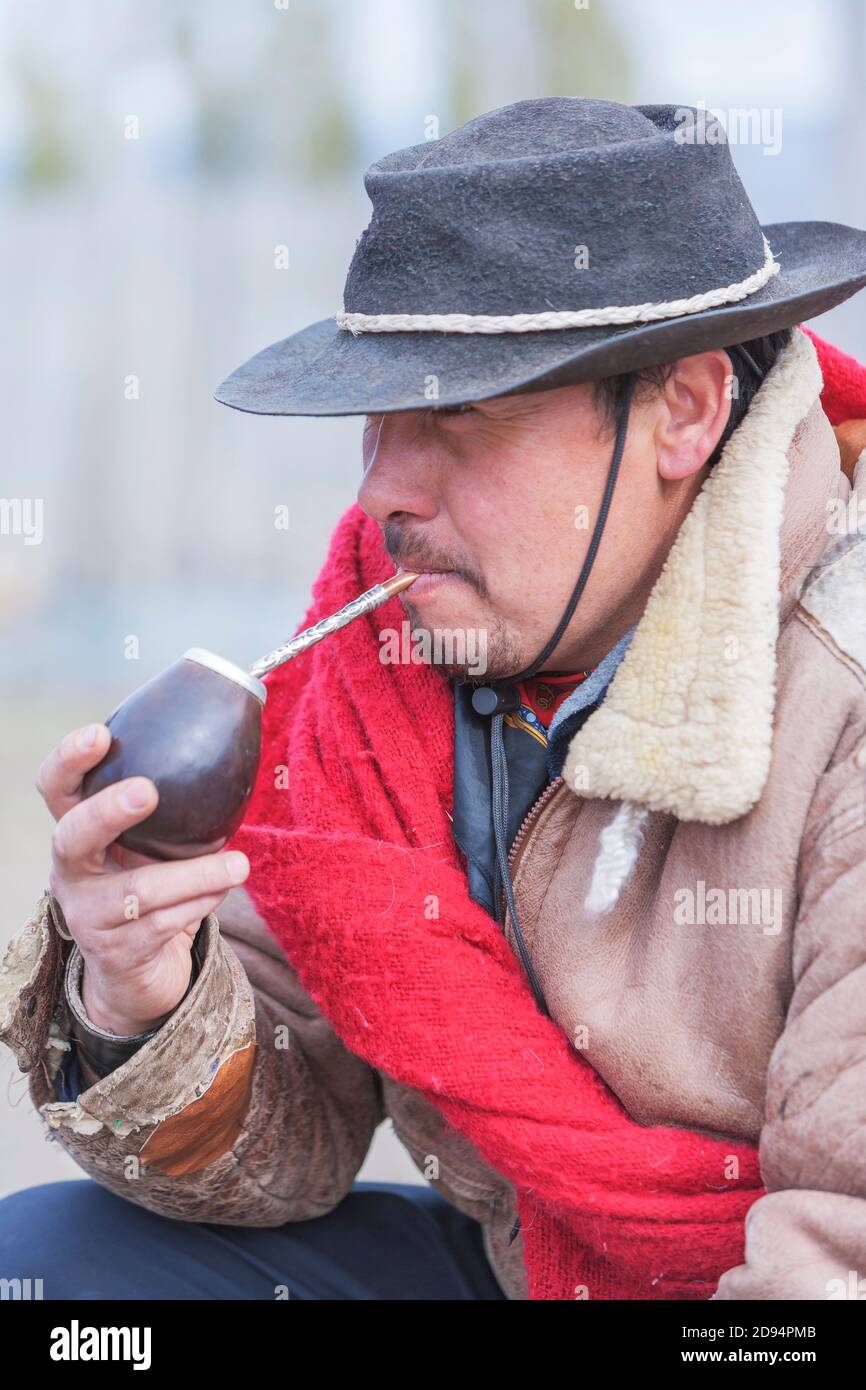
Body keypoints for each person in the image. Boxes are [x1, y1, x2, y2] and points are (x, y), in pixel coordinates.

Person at [3, 97, 866, 1301]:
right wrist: (143, 987)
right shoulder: (379, 662)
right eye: (377, 415)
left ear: (681, 410)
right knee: (49, 1274)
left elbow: (839, 1256)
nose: (382, 493)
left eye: (463, 411)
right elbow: (282, 1155)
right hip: (523, 1269)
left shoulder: (847, 683)